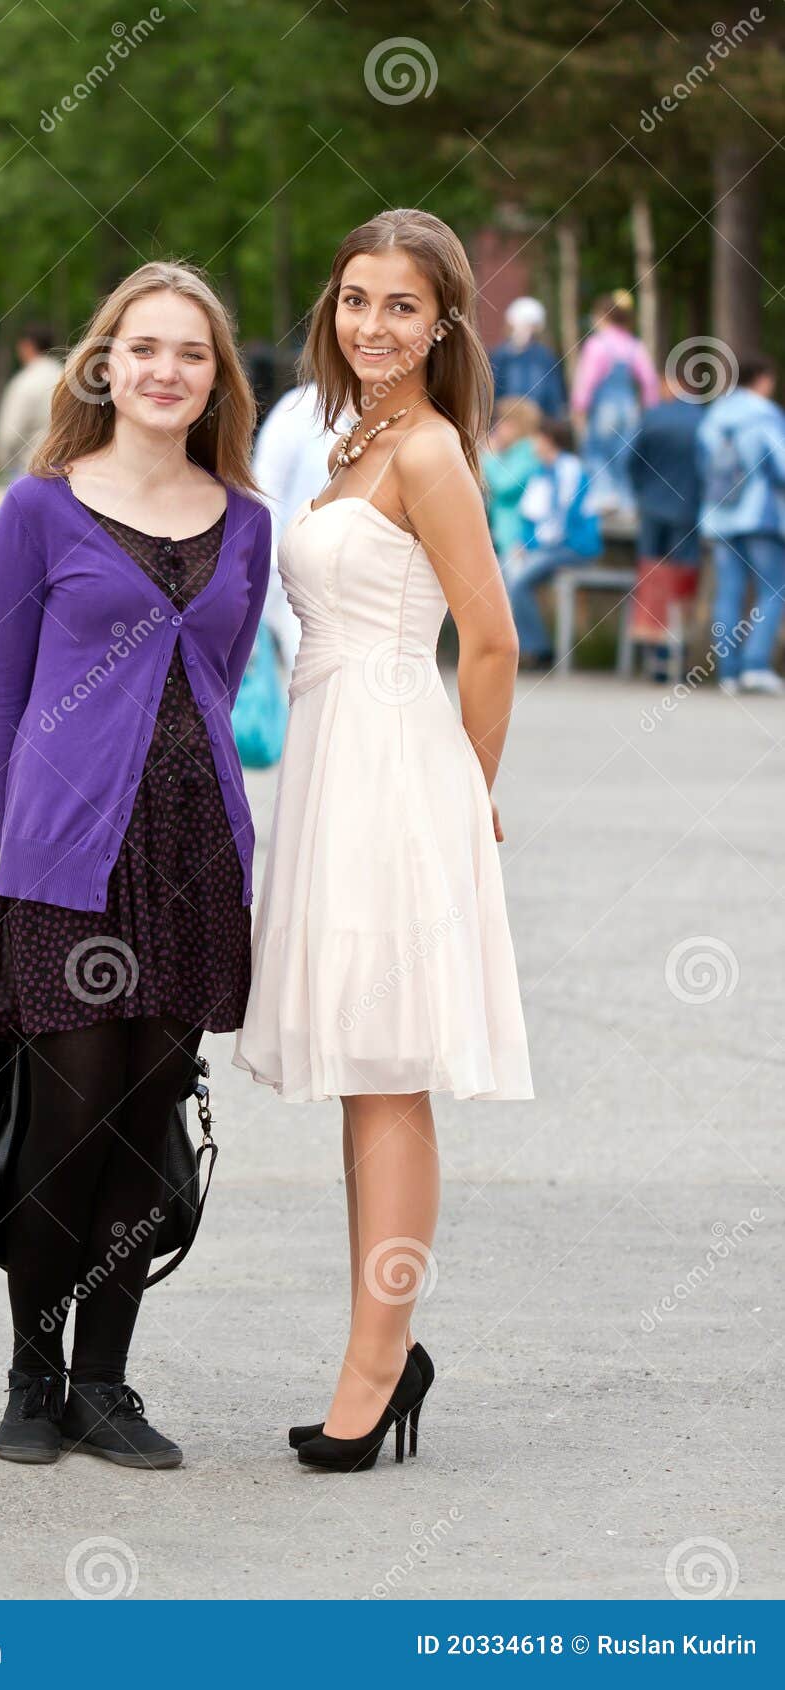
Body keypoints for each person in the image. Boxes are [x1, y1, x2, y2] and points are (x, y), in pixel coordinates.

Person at [232, 208, 533, 1475]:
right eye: (355, 299)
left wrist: (466, 791)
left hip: (395, 770)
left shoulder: (429, 451)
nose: (372, 324)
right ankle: (379, 1346)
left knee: (388, 1066)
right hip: (330, 763)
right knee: (361, 1065)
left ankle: (374, 1366)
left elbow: (492, 638)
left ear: (442, 322)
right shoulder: (347, 435)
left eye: (401, 305)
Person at [0, 260, 271, 1466]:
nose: (165, 370)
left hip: (195, 857)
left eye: (190, 353)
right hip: (67, 867)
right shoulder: (38, 509)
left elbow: (221, 680)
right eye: (143, 347)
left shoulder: (244, 519)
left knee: (148, 1128)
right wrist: (31, 837)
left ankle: (104, 1382)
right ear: (104, 364)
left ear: (215, 378)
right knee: (68, 1123)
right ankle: (31, 1376)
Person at [698, 357, 785, 695]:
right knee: (773, 589)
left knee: (728, 592)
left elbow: (702, 467)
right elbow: (780, 466)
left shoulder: (714, 416)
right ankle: (755, 665)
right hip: (758, 515)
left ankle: (727, 672)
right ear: (762, 379)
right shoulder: (765, 415)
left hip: (719, 517)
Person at [250, 380, 350, 675]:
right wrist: (273, 582)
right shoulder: (298, 409)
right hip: (302, 593)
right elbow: (265, 496)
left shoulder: (406, 411)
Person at [502, 417, 601, 666]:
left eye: (538, 438)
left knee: (519, 582)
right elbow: (531, 515)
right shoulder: (542, 471)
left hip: (571, 547)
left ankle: (539, 650)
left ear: (549, 440)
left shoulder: (569, 469)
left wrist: (533, 548)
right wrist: (523, 544)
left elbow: (560, 521)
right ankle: (513, 647)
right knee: (505, 572)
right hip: (549, 547)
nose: (533, 444)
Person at [627, 371, 705, 679]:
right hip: (688, 510)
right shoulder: (702, 420)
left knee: (653, 576)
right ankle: (680, 651)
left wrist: (641, 494)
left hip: (652, 509)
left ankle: (656, 656)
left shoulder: (652, 417)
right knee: (684, 580)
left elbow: (631, 461)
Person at [572, 290, 659, 522]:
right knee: (623, 455)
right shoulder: (633, 345)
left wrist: (579, 407)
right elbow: (649, 381)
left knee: (596, 450)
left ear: (603, 315)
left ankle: (605, 496)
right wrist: (650, 408)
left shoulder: (597, 344)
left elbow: (586, 380)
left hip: (605, 408)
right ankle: (627, 503)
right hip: (629, 408)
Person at [0, 323, 63, 481]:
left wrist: (2, 462)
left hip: (30, 470)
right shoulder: (68, 377)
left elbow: (9, 434)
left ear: (27, 346)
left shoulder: (24, 382)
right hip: (68, 471)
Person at [483, 396, 541, 564]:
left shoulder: (528, 453)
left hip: (517, 541)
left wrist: (489, 456)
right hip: (503, 537)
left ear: (515, 426)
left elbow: (504, 485)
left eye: (501, 423)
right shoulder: (509, 454)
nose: (496, 430)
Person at [489, 297, 566, 419]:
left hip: (537, 420)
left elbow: (552, 394)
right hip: (507, 419)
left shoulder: (544, 356)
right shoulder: (501, 355)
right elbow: (492, 390)